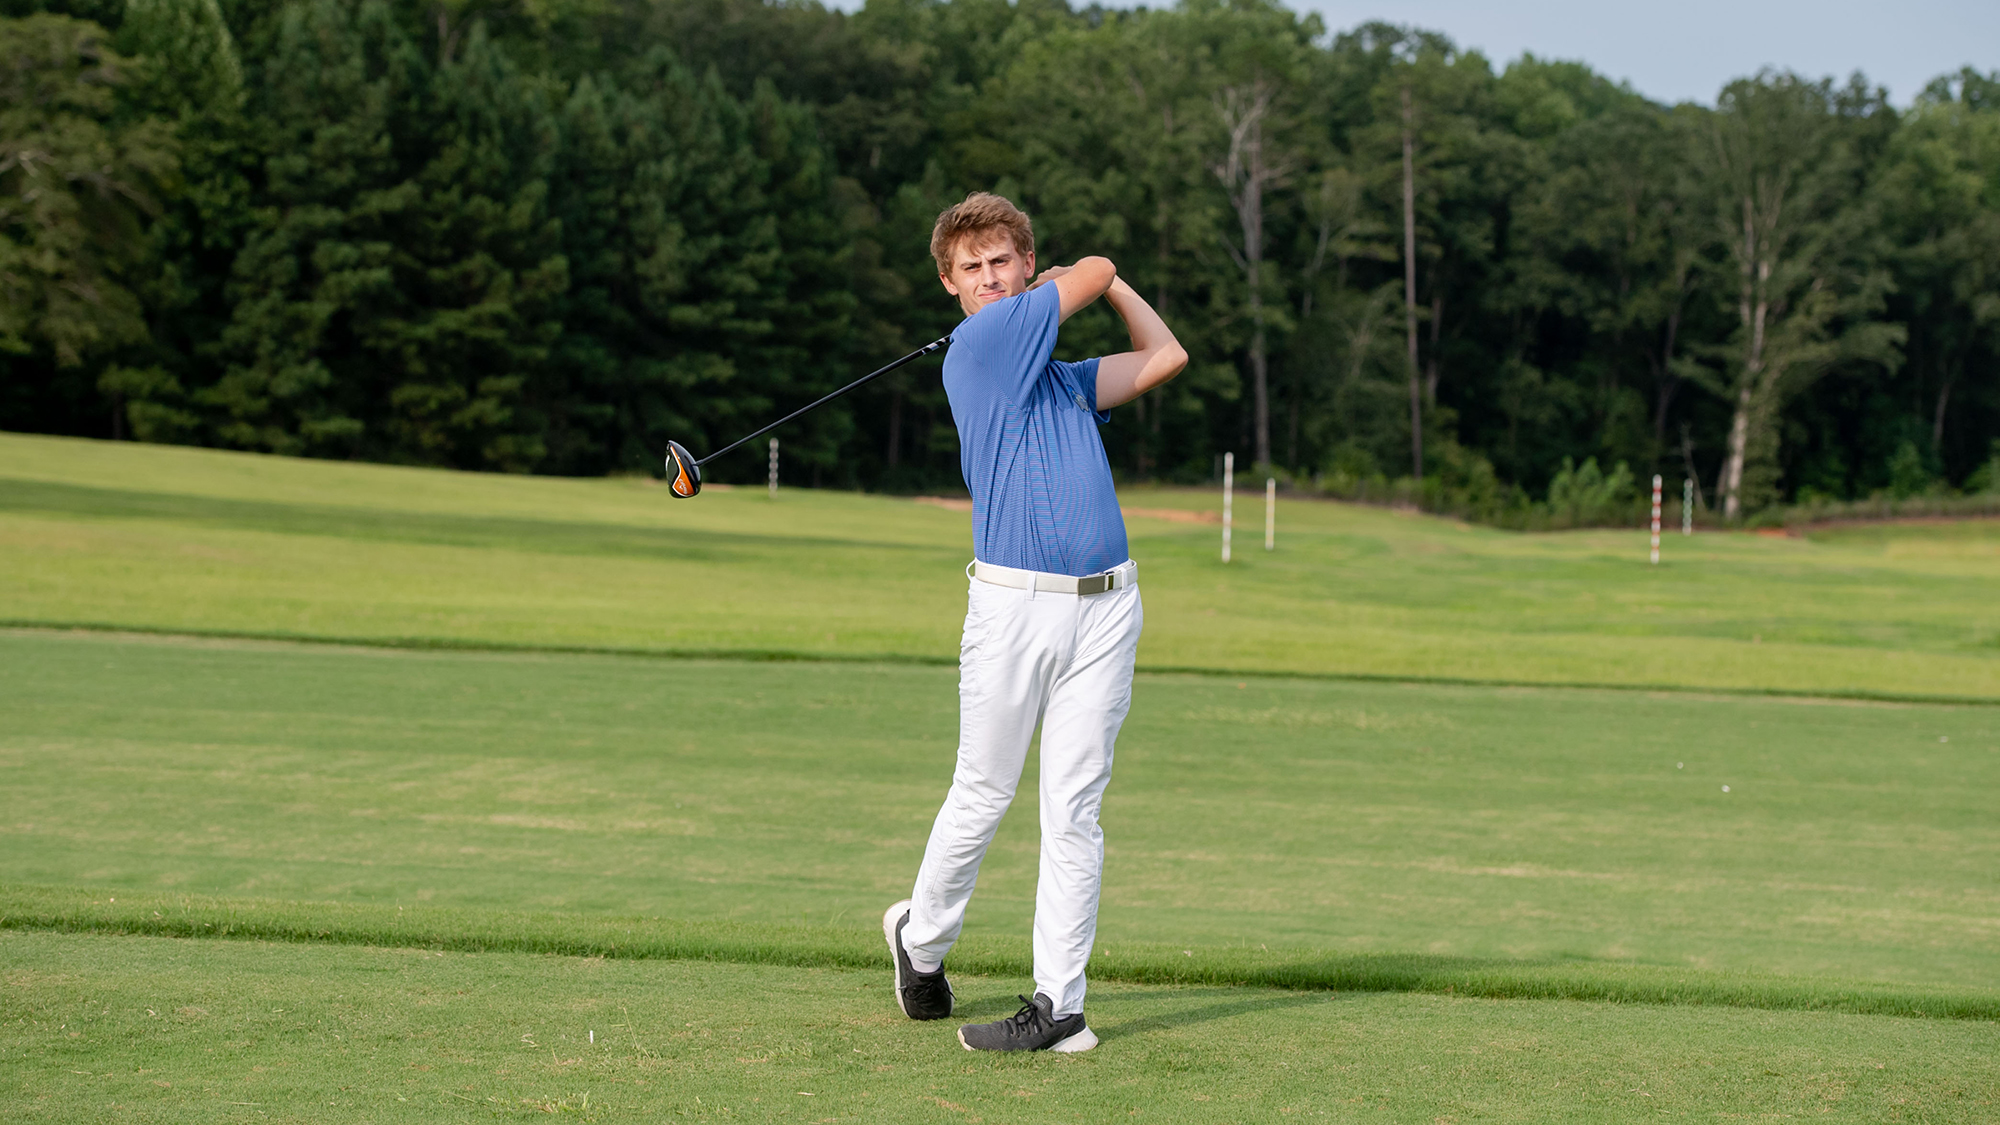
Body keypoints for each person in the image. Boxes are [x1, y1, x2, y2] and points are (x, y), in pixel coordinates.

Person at [882, 192, 1188, 1053]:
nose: (988, 277)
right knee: (983, 792)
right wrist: (1088, 274)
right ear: (951, 285)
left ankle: (1060, 1007)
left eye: (1003, 261)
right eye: (970, 267)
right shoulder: (981, 347)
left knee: (1075, 808)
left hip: (1108, 608)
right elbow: (1089, 271)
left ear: (1024, 263)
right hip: (1014, 608)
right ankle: (922, 941)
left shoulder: (1060, 380)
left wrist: (1114, 286)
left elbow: (1166, 355)